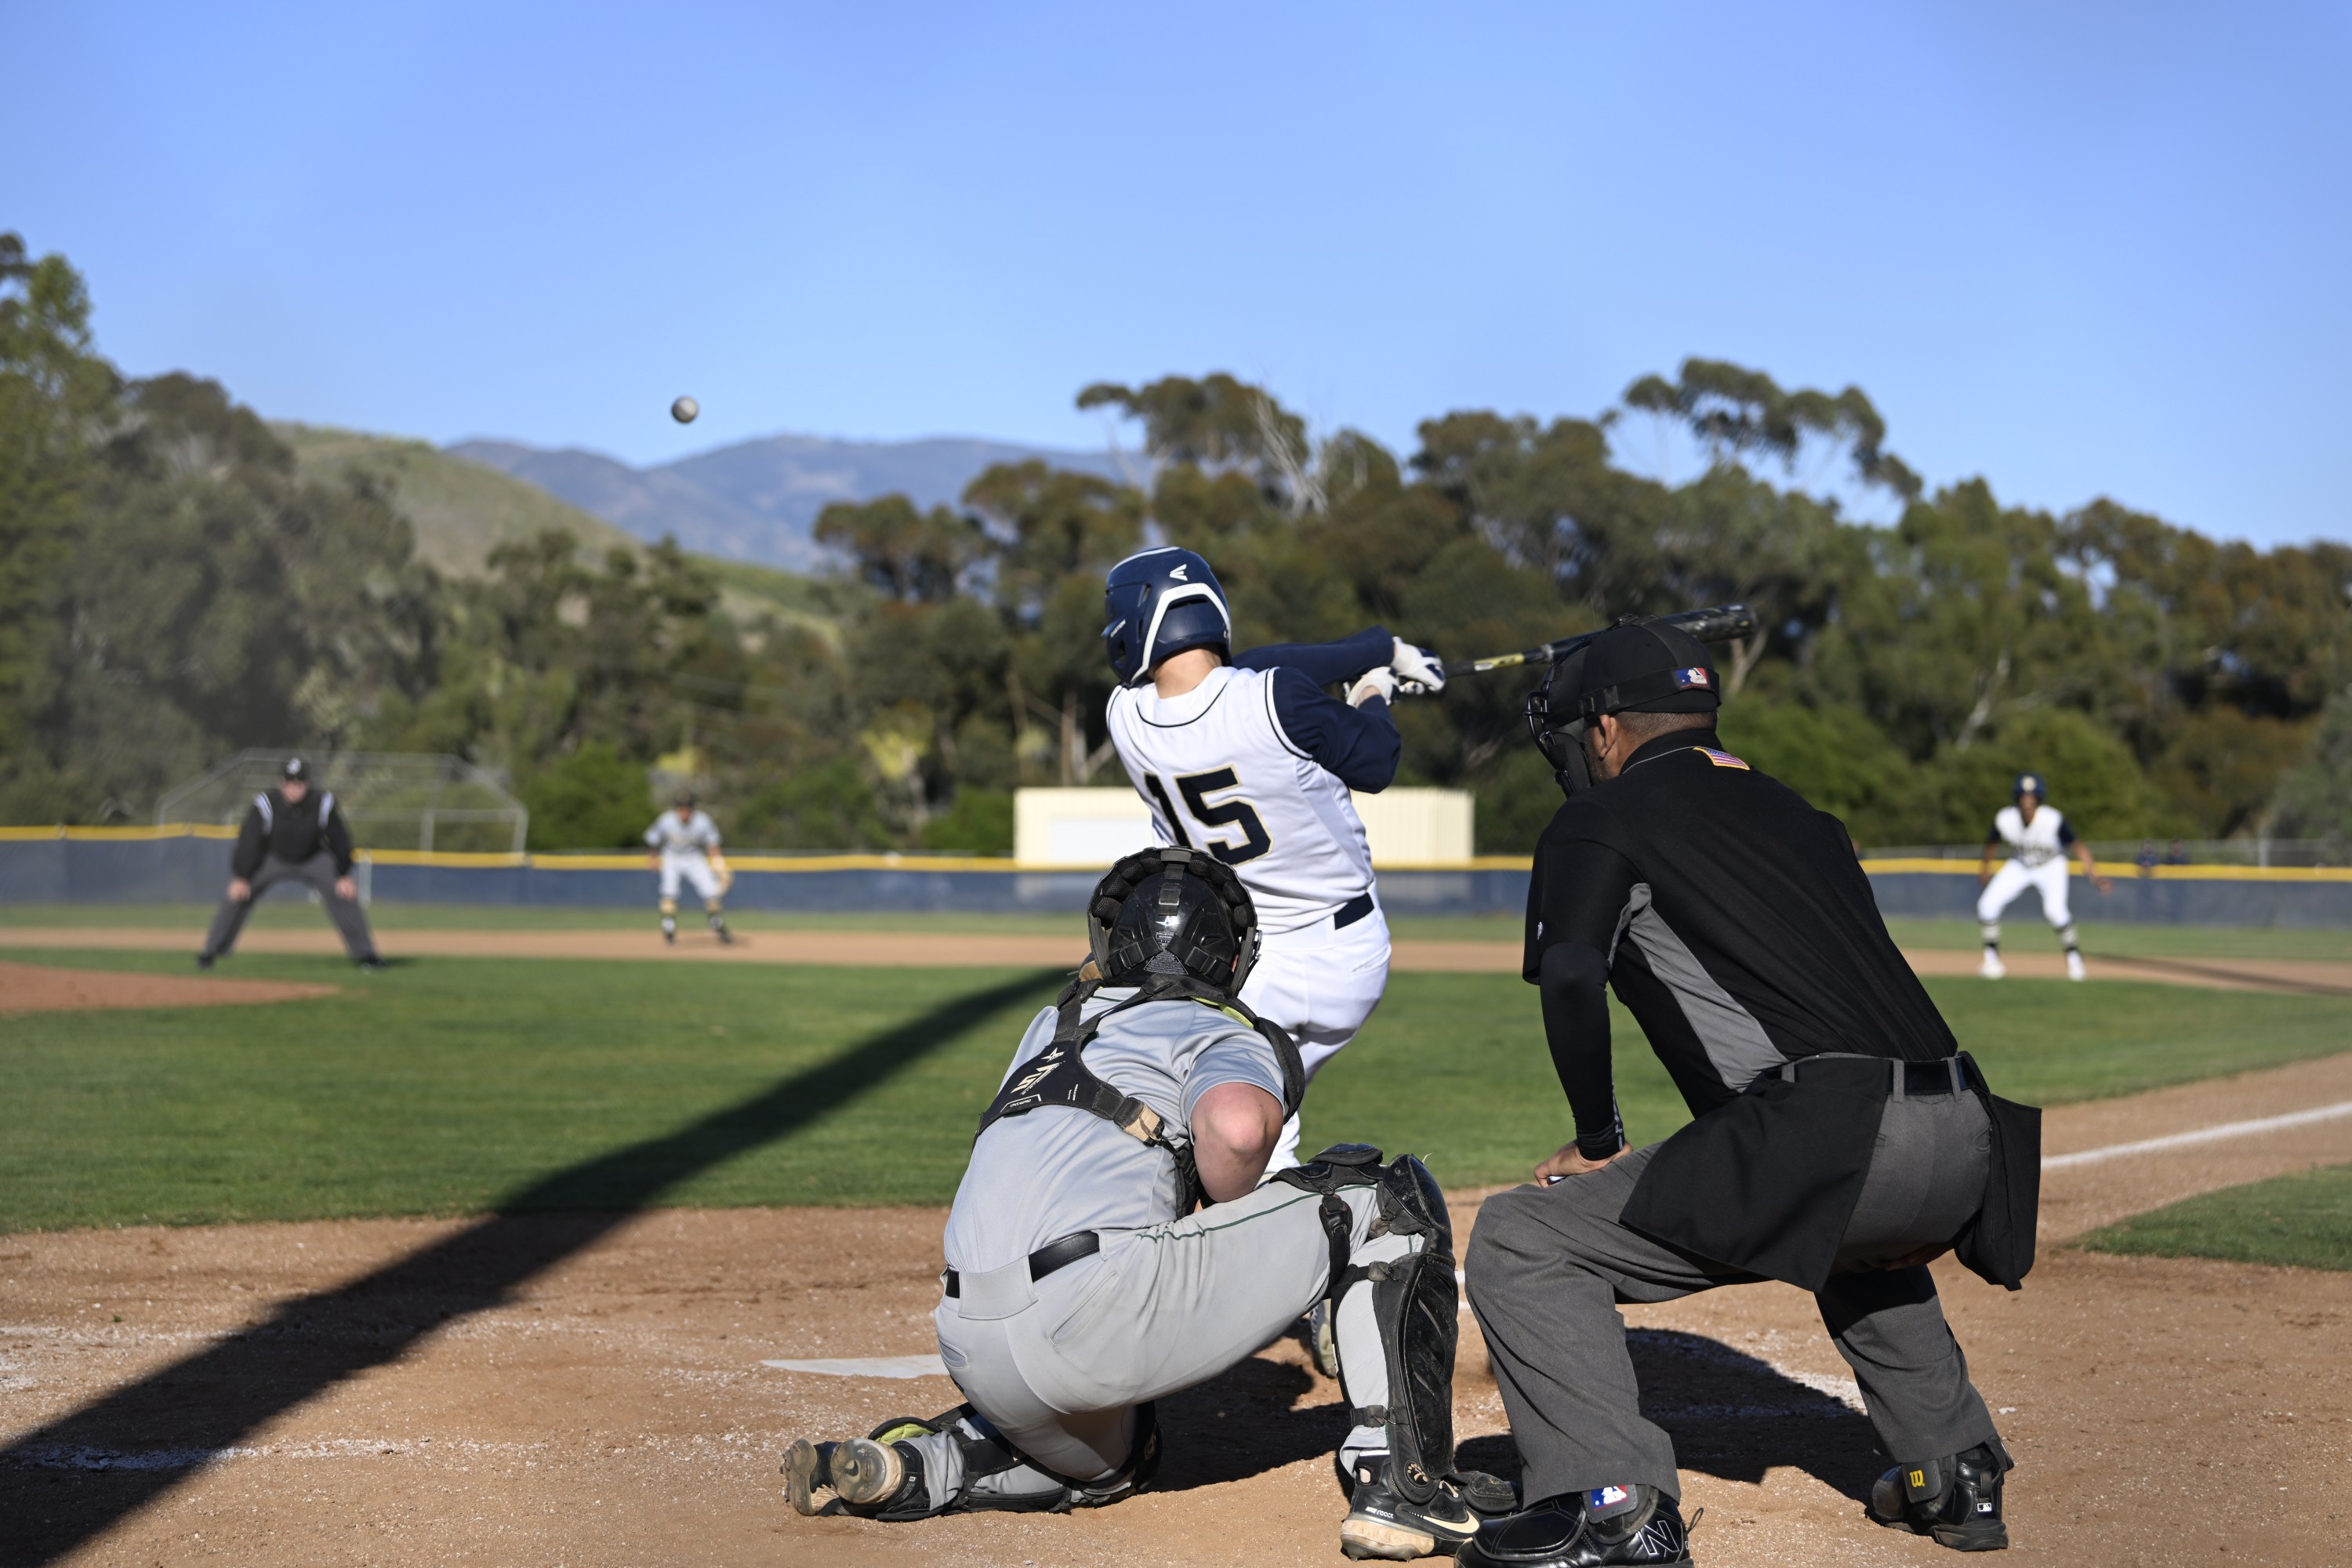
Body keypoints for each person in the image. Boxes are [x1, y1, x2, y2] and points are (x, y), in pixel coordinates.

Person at [1456, 619, 2041, 1568]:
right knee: (1859, 1235)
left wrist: (1596, 1135)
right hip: (1968, 1132)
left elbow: (1570, 974)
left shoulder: (1602, 815)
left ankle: (1612, 1506)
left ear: (1605, 728)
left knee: (1524, 1239)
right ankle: (1956, 1465)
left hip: (1839, 1132)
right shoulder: (1805, 817)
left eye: (1575, 735)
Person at [779, 848, 1510, 1559]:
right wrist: (1227, 1200)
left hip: (970, 1342)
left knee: (1120, 1462)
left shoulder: (1047, 1029)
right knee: (1381, 1198)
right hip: (1092, 1312)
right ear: (1232, 962)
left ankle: (921, 1467)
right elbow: (1237, 1127)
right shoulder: (1217, 1023)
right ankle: (1403, 1491)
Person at [1099, 546, 1447, 1171]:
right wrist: (1374, 690)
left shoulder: (1124, 718)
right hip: (1348, 954)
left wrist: (1379, 649)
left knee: (1229, 1118)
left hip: (1240, 960)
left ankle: (1245, 1238)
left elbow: (1254, 673)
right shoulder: (1276, 698)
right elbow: (1376, 759)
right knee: (1249, 1118)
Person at [197, 757, 383, 971]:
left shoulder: (322, 802)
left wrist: (343, 874)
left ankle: (367, 955)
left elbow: (340, 838)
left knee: (345, 894)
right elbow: (250, 840)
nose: (295, 788)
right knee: (237, 894)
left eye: (300, 782)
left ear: (307, 783)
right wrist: (242, 876)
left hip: (314, 857)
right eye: (290, 782)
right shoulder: (266, 803)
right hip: (273, 857)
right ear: (281, 783)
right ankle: (210, 952)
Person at [1975, 772, 2109, 980]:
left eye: (2032, 797)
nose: (2027, 801)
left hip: (2051, 866)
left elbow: (2078, 846)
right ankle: (1991, 961)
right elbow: (1991, 843)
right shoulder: (2005, 818)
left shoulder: (2052, 819)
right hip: (2019, 865)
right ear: (2017, 798)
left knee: (2055, 912)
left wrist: (2095, 876)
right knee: (1986, 906)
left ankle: (2074, 959)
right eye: (2023, 796)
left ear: (2039, 799)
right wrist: (1985, 868)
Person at [644, 789, 731, 945]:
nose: (684, 811)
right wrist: (653, 859)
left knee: (712, 892)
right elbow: (653, 839)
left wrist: (719, 864)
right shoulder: (666, 820)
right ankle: (669, 928)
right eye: (681, 807)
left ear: (693, 808)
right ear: (676, 808)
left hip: (693, 857)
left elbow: (713, 844)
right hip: (672, 856)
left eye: (687, 807)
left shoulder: (703, 821)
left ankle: (716, 923)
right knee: (669, 892)